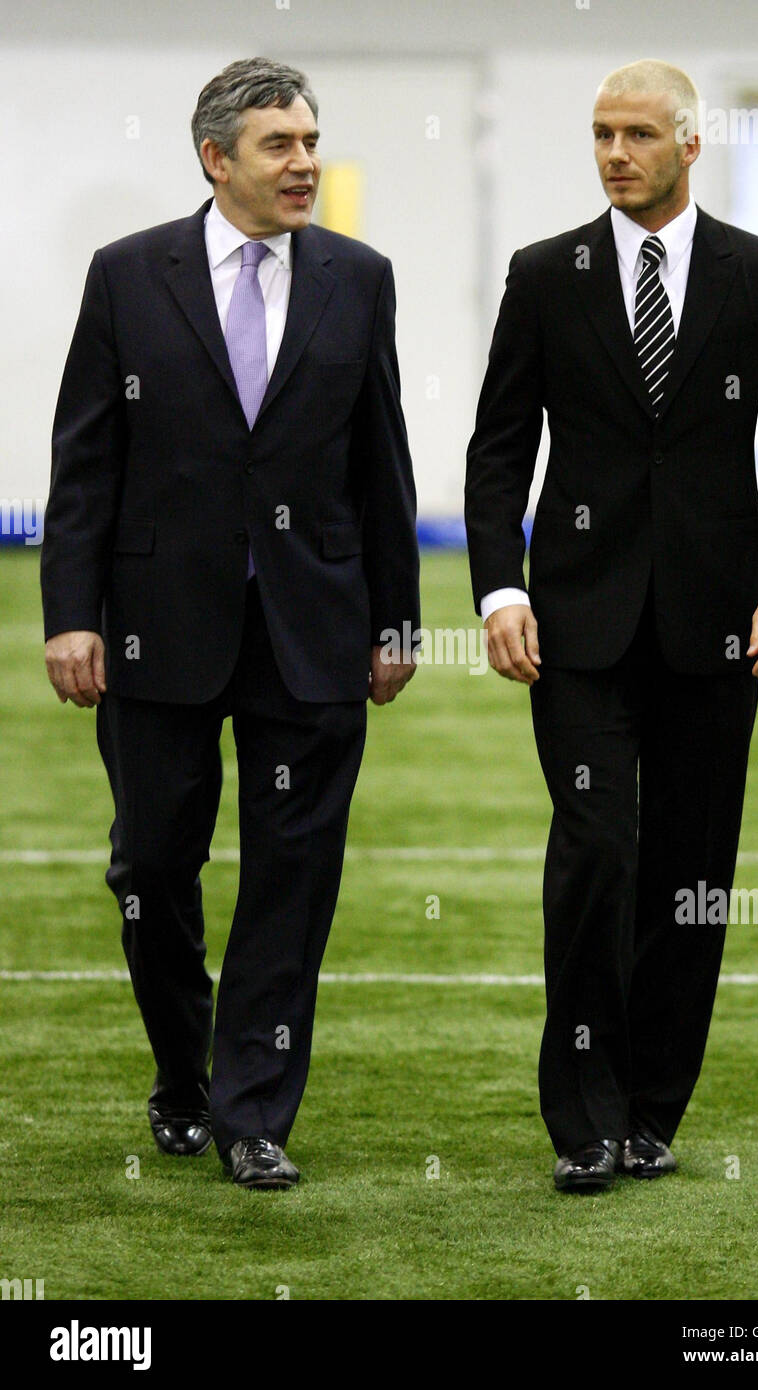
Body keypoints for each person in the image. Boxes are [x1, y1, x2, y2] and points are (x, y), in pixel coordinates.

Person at [41, 57, 419, 1190]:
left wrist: (396, 619)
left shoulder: (361, 276)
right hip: (159, 626)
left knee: (290, 879)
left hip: (313, 623)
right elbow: (85, 462)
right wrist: (73, 615)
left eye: (310, 141)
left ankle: (254, 1111)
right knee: (152, 868)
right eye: (280, 146)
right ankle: (181, 1075)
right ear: (216, 158)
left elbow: (381, 462)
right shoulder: (127, 275)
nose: (305, 162)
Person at [465, 59, 758, 1192]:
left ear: (689, 143)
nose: (613, 152)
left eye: (635, 133)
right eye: (599, 133)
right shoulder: (544, 275)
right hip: (574, 626)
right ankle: (581, 1117)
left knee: (690, 871)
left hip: (719, 629)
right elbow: (496, 450)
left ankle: (650, 1110)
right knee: (594, 849)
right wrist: (501, 588)